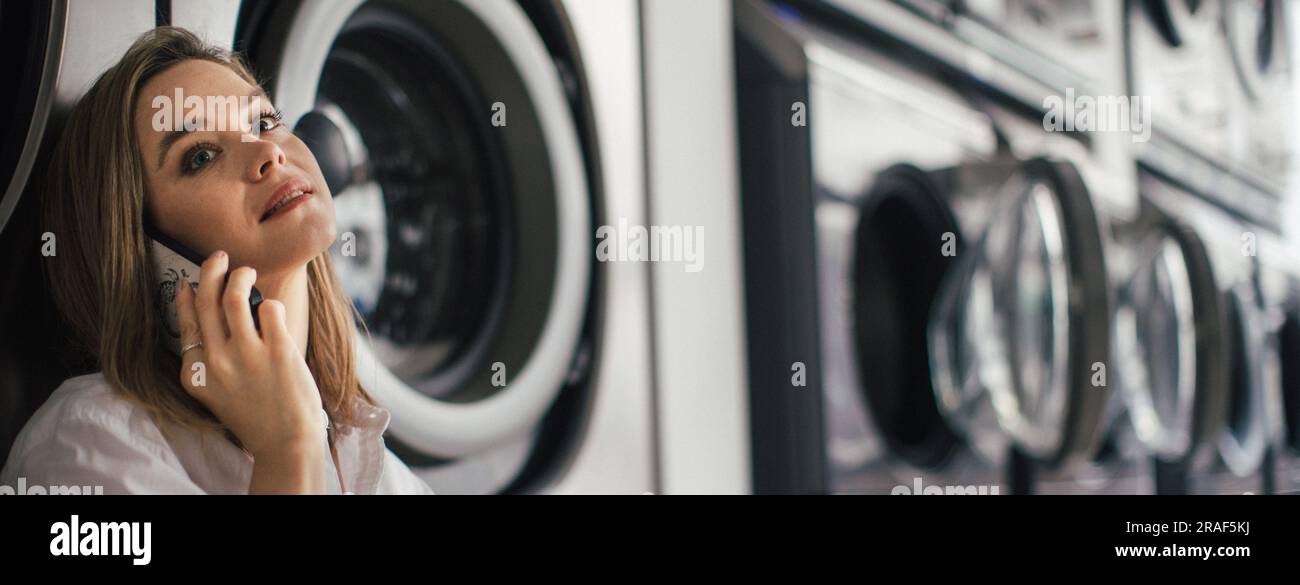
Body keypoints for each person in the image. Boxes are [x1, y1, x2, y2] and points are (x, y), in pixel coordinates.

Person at [0, 27, 434, 494]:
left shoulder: (372, 461)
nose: (267, 152)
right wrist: (289, 447)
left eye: (264, 122)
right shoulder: (83, 441)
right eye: (201, 156)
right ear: (143, 250)